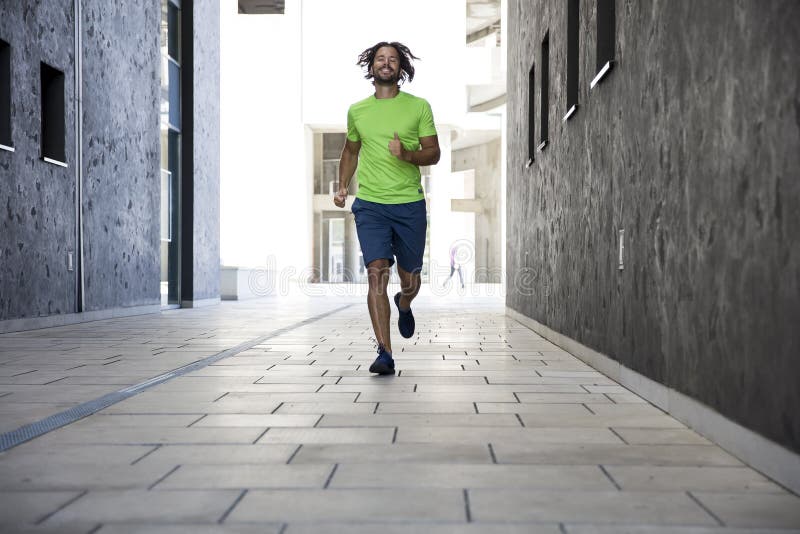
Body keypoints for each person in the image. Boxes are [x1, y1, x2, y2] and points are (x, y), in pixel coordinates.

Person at [333, 41, 440, 375]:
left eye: (392, 59)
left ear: (400, 67)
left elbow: (433, 153)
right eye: (380, 58)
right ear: (372, 67)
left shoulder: (418, 107)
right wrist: (342, 185)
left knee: (410, 279)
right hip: (371, 206)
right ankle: (384, 353)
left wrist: (406, 154)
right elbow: (351, 151)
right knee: (376, 273)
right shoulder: (358, 111)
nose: (386, 63)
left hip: (409, 204)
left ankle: (405, 302)